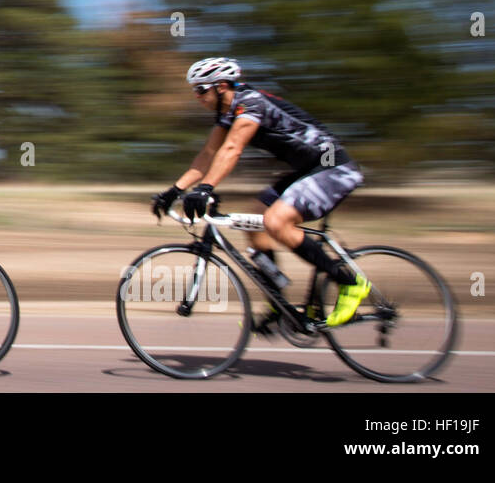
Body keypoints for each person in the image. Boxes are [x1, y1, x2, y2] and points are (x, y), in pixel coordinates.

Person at [151, 57, 370, 329]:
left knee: (276, 221)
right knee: (254, 221)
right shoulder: (226, 114)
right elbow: (208, 154)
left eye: (201, 90)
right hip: (308, 170)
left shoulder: (250, 104)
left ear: (221, 87)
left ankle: (350, 283)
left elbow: (232, 149)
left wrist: (206, 189)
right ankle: (277, 300)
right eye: (195, 90)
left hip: (332, 166)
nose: (197, 97)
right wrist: (175, 190)